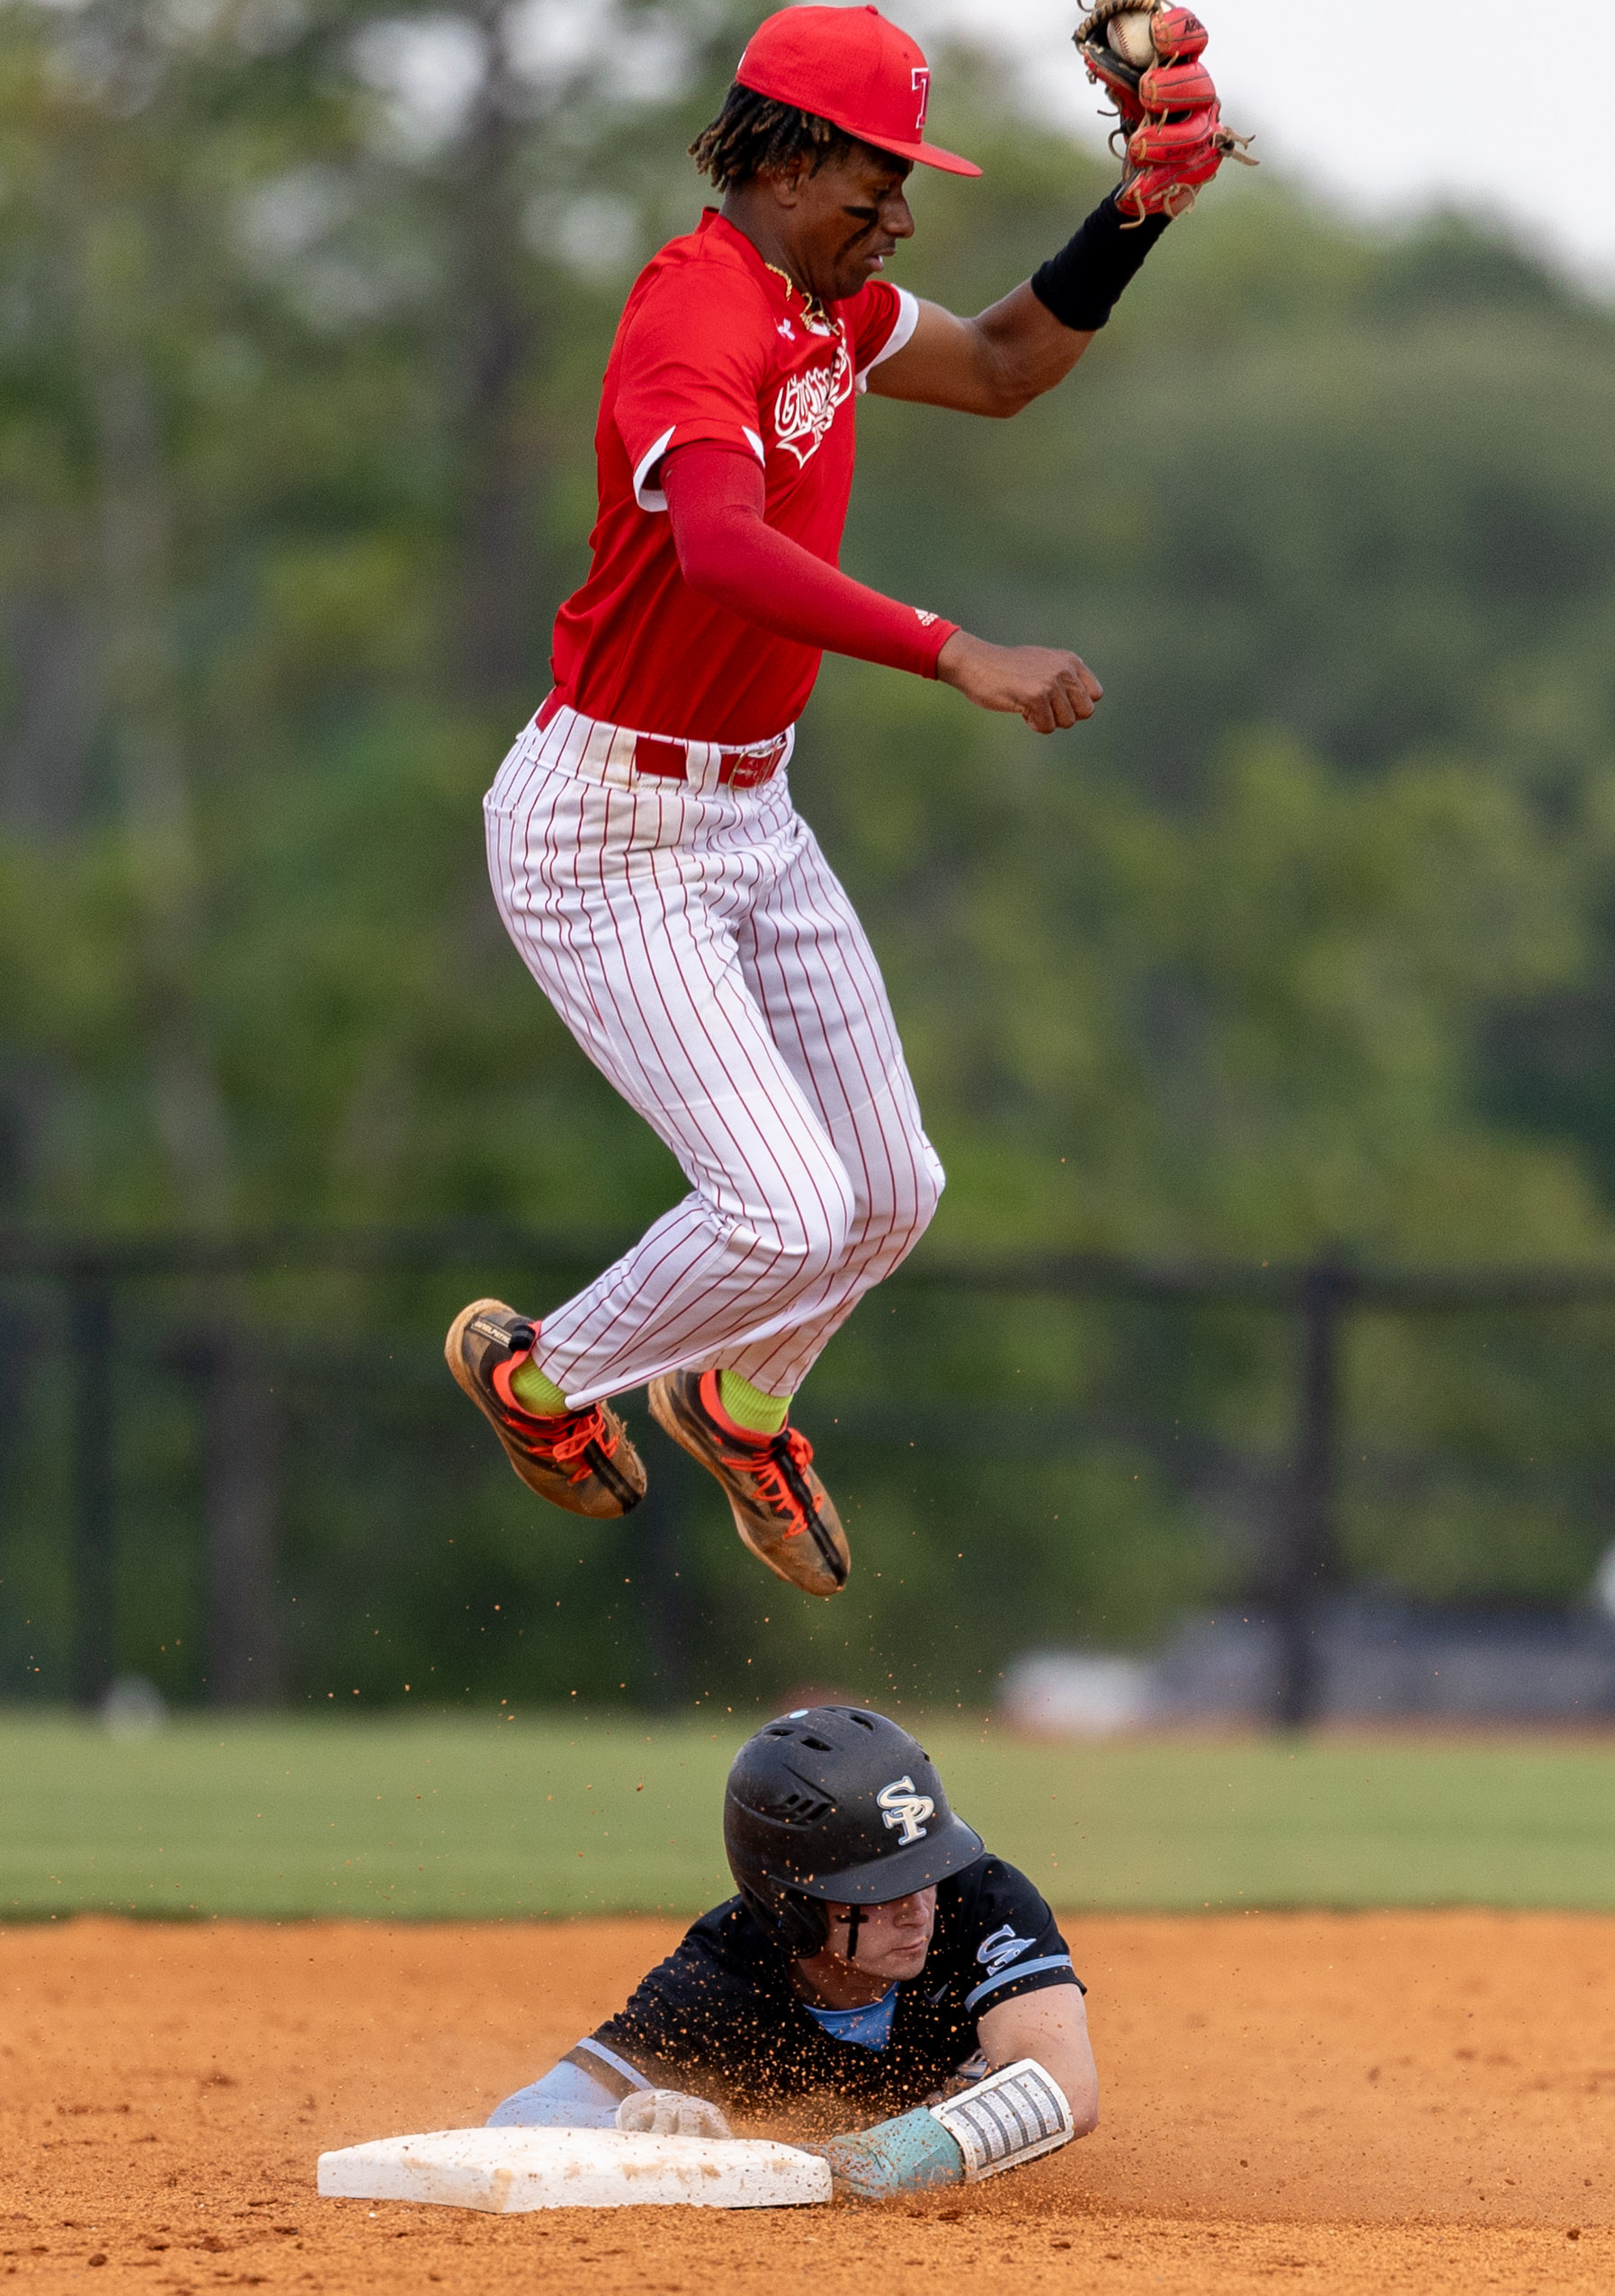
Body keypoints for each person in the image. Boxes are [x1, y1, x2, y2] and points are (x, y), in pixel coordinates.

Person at [446, 4, 1238, 1597]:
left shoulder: (834, 309)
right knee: (787, 1205)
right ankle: (538, 1376)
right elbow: (718, 549)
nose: (900, 208)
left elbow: (1011, 364)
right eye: (877, 175)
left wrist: (1137, 210)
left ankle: (736, 1399)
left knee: (892, 1190)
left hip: (749, 813)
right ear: (786, 155)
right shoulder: (698, 309)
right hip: (607, 832)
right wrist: (957, 652)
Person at [486, 1706, 1099, 2197]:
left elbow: (1063, 2087)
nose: (917, 1906)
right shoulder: (719, 1976)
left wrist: (884, 2158)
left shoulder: (982, 1901)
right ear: (791, 1903)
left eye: (929, 1867)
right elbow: (517, 2120)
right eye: (880, 1888)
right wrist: (628, 2124)